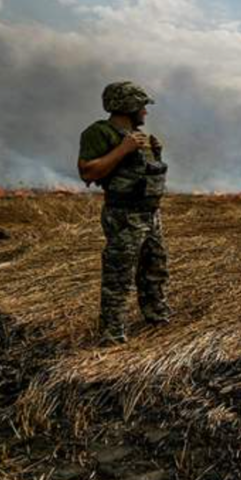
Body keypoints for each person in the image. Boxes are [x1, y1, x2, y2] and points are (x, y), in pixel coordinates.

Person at [77, 81, 171, 346]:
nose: (145, 112)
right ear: (126, 105)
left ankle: (157, 318)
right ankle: (112, 334)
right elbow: (88, 173)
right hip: (124, 215)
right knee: (119, 277)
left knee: (155, 270)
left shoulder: (138, 137)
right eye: (141, 105)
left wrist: (155, 152)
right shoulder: (101, 133)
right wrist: (123, 149)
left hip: (150, 215)